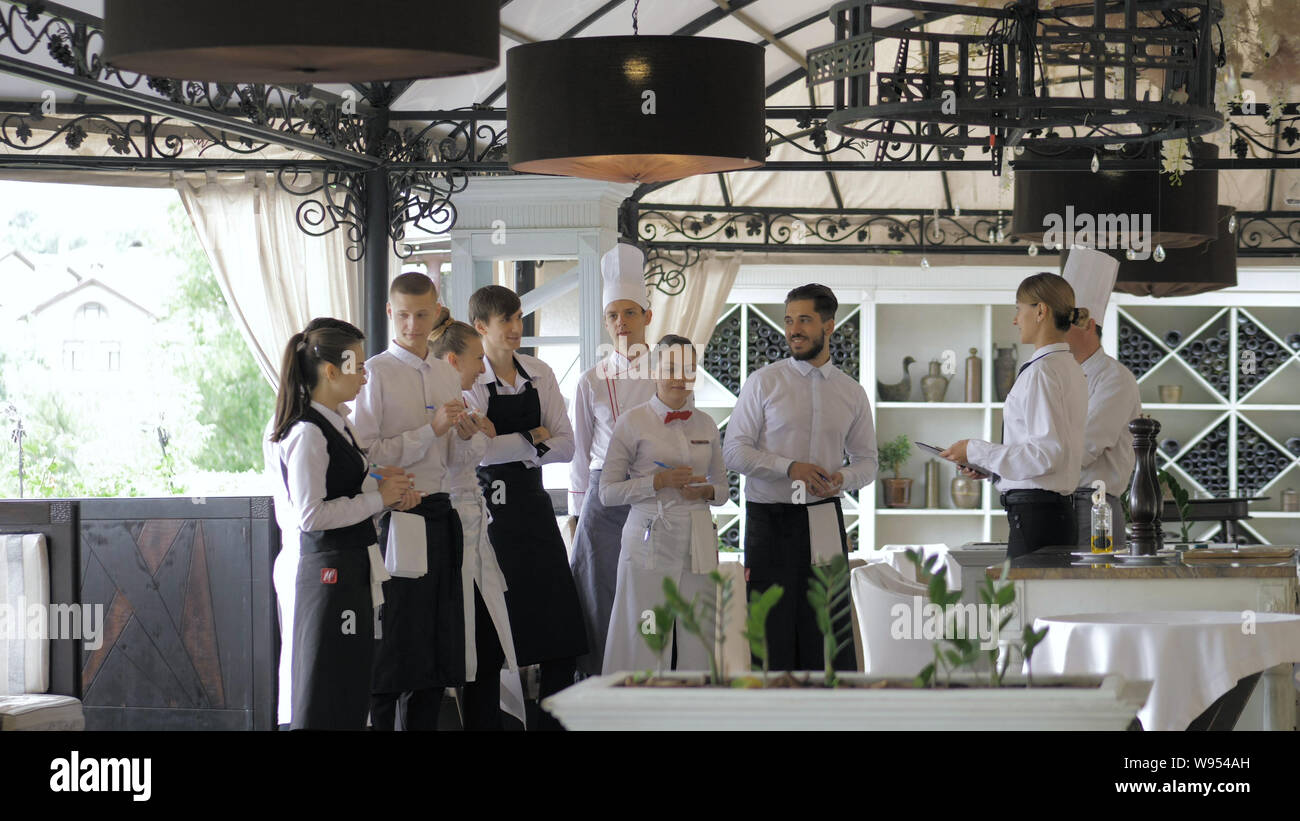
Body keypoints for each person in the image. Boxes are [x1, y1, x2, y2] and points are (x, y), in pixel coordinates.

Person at [268, 317, 421, 730]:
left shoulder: (339, 422)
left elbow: (356, 475)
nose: (365, 372)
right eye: (358, 364)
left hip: (350, 565)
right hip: (321, 573)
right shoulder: (306, 433)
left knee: (350, 682)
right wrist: (377, 498)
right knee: (322, 688)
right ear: (331, 370)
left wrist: (386, 485)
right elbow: (310, 514)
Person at [723, 283, 878, 673]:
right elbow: (733, 452)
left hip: (824, 518)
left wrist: (841, 478)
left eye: (804, 320)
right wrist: (790, 467)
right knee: (770, 633)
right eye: (789, 320)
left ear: (829, 325)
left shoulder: (851, 393)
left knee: (826, 632)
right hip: (769, 520)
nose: (793, 329)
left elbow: (868, 463)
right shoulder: (763, 383)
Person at [351, 272, 473, 731]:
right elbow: (361, 454)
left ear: (437, 312)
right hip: (395, 517)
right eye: (403, 314)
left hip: (442, 512)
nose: (412, 324)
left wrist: (465, 436)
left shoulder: (446, 372)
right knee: (393, 641)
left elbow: (453, 458)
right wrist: (430, 431)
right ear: (389, 313)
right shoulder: (374, 374)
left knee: (436, 643)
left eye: (422, 314)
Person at [466, 284, 587, 728]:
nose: (517, 328)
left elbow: (569, 445)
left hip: (535, 511)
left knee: (559, 626)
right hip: (491, 517)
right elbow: (477, 451)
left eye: (519, 318)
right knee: (494, 634)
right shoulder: (470, 377)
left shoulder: (539, 371)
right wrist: (533, 438)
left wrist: (507, 439)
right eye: (507, 321)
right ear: (482, 327)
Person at [600, 335, 728, 673]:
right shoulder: (633, 421)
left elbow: (724, 489)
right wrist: (655, 482)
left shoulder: (706, 423)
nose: (678, 377)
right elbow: (607, 491)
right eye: (670, 367)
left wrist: (704, 491)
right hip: (649, 537)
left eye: (687, 368)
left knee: (696, 632)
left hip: (697, 539)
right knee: (646, 630)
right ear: (654, 370)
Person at [942, 272, 1090, 559]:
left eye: (1018, 310)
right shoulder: (1068, 367)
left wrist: (975, 449)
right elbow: (1048, 456)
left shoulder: (1042, 372)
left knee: (1025, 604)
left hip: (1037, 518)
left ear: (1041, 311)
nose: (1015, 319)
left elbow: (1046, 455)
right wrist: (991, 468)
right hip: (1053, 514)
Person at [569, 243, 659, 676]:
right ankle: (599, 682)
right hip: (603, 501)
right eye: (612, 316)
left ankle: (652, 679)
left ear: (647, 316)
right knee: (598, 590)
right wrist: (575, 512)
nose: (620, 323)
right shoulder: (591, 379)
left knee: (650, 589)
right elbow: (579, 451)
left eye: (629, 313)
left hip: (656, 495)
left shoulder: (671, 373)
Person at [429, 315, 519, 730]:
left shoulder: (467, 403)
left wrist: (482, 433)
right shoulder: (435, 406)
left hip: (476, 531)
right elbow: (451, 463)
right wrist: (475, 436)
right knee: (466, 644)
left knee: (487, 644)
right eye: (476, 359)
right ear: (452, 360)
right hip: (448, 534)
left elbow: (473, 455)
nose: (483, 369)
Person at [1062, 248, 1143, 551]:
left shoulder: (1115, 379)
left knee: (1093, 596)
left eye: (1061, 323)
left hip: (1093, 508)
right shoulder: (1060, 375)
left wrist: (1015, 464)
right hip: (1054, 505)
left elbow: (1084, 447)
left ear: (1086, 324)